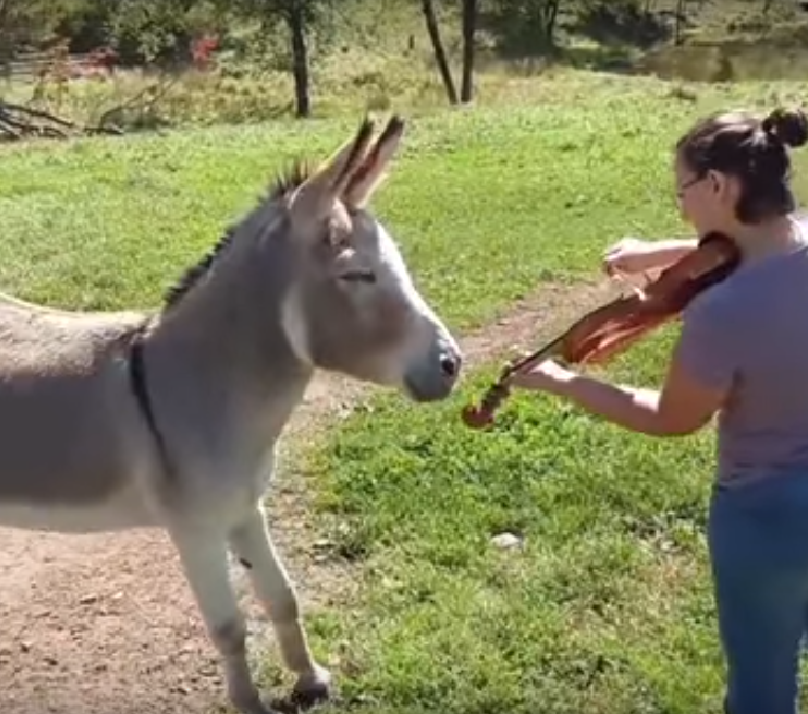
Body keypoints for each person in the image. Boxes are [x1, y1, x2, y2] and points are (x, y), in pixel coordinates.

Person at [507, 106, 808, 714]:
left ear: (719, 186)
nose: (682, 208)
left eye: (684, 192)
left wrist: (563, 382)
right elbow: (760, 241)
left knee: (762, 687)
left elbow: (670, 417)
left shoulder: (723, 315)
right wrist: (657, 252)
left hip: (767, 521)